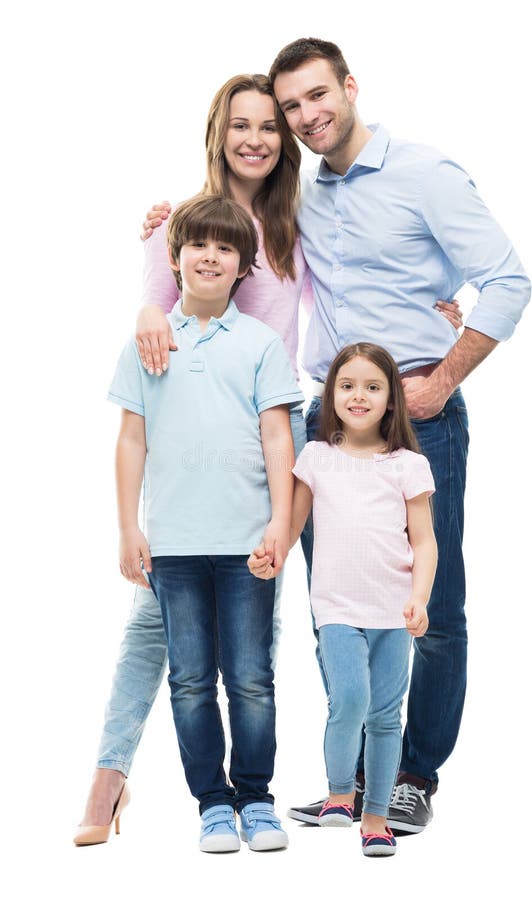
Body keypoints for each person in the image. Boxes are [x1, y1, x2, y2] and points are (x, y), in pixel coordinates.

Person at [77, 71, 461, 841]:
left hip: (277, 449)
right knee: (156, 626)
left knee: (247, 639)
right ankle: (112, 777)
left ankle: (261, 788)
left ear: (283, 140)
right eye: (239, 124)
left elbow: (367, 269)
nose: (254, 137)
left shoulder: (297, 222)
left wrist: (439, 302)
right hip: (196, 462)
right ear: (218, 133)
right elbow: (159, 312)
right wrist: (153, 283)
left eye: (268, 124)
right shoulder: (185, 223)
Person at [263, 37, 531, 832]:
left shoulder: (423, 172)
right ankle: (349, 780)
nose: (308, 116)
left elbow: (509, 281)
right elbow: (232, 223)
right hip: (327, 417)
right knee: (335, 601)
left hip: (418, 421)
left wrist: (441, 378)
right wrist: (164, 224)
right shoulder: (303, 195)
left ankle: (414, 774)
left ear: (349, 86)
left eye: (318, 95)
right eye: (291, 107)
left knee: (433, 604)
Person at [77, 194, 303, 853]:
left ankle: (257, 800)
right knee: (188, 678)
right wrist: (127, 528)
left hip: (245, 544)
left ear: (243, 268)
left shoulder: (260, 344)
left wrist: (279, 526)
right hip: (171, 544)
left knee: (251, 676)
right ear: (173, 260)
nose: (209, 255)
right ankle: (211, 802)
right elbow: (129, 441)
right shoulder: (150, 343)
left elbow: (277, 440)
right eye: (196, 245)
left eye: (225, 247)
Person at [249, 343, 437, 856]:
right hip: (336, 608)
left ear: (391, 400)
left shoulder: (408, 465)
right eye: (347, 385)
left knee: (383, 715)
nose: (359, 396)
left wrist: (419, 598)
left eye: (373, 387)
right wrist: (274, 552)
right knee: (349, 699)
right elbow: (293, 524)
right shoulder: (317, 457)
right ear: (331, 394)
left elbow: (424, 541)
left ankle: (376, 819)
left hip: (394, 611)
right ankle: (339, 795)